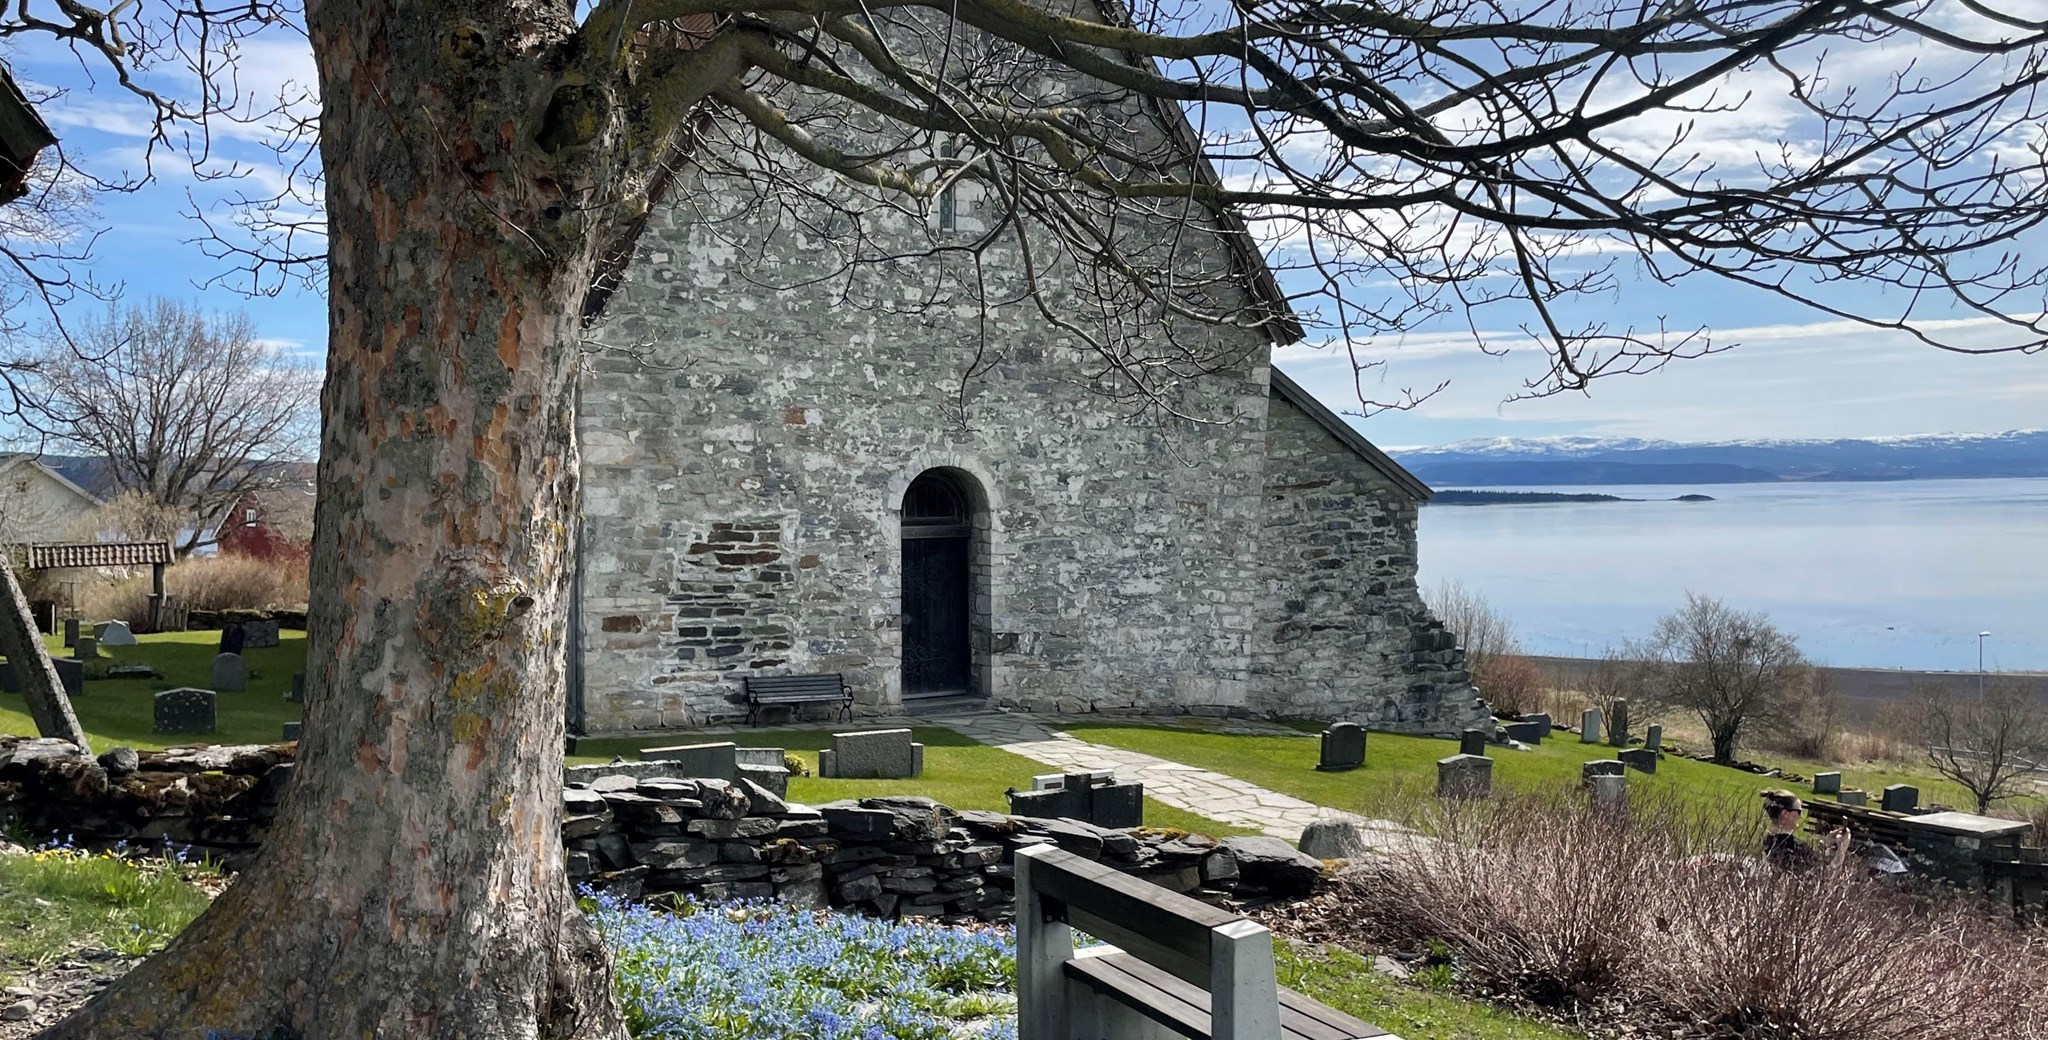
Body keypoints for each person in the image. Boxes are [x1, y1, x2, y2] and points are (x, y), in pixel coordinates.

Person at [1760, 789, 1850, 872]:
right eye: (1798, 811)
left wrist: (1827, 843)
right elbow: (1824, 875)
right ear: (1785, 813)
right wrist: (1842, 848)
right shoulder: (1795, 846)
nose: (1801, 816)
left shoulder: (1766, 842)